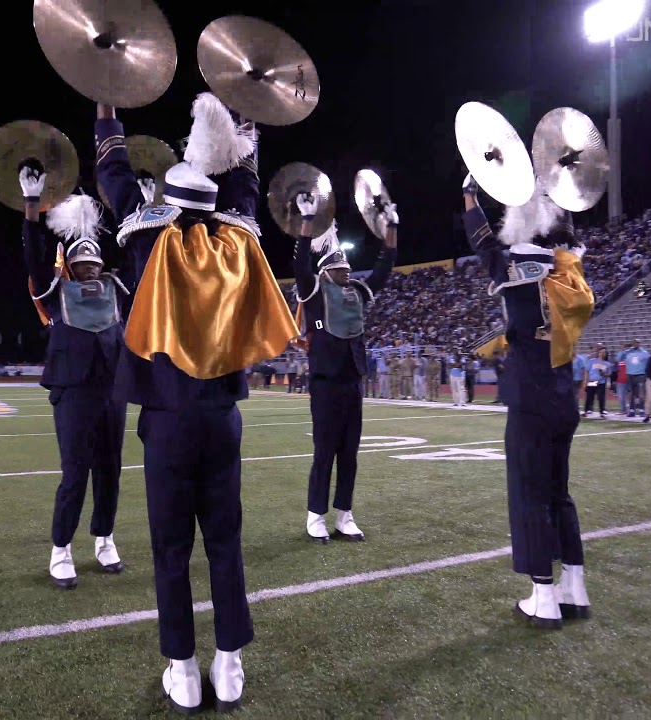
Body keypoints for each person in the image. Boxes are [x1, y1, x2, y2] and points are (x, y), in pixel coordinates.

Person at [96, 92, 297, 713]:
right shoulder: (239, 240)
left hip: (167, 421)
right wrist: (246, 119)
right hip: (222, 420)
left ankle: (183, 671)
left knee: (170, 547)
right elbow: (244, 181)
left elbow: (113, 176)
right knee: (225, 541)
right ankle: (229, 662)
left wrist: (107, 111)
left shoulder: (146, 236)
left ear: (168, 202)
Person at [460, 174, 595, 629]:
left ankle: (544, 596)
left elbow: (481, 241)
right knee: (560, 493)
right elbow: (567, 234)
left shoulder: (514, 266)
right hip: (563, 395)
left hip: (530, 395)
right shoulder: (570, 272)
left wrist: (470, 196)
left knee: (529, 494)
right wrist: (560, 199)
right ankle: (574, 587)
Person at [19, 179, 130, 589]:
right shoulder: (56, 292)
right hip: (73, 393)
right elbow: (34, 259)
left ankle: (104, 538)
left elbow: (143, 262)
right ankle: (61, 548)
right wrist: (32, 206)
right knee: (75, 473)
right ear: (69, 266)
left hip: (112, 393)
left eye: (95, 262)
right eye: (82, 263)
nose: (89, 267)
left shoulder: (117, 292)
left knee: (110, 471)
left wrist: (150, 209)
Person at [292, 192, 396, 542]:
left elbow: (384, 268)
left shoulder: (357, 294)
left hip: (353, 383)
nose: (347, 269)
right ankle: (315, 515)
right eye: (340, 266)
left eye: (348, 266)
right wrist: (306, 223)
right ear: (327, 271)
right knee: (325, 453)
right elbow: (300, 265)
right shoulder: (314, 293)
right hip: (324, 384)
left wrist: (391, 230)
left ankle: (344, 514)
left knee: (349, 454)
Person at [584, 347, 611, 418]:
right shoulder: (592, 361)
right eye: (601, 352)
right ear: (598, 353)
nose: (602, 354)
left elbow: (609, 374)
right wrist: (586, 381)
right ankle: (586, 411)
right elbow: (586, 371)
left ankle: (602, 411)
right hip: (592, 381)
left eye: (604, 352)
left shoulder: (607, 364)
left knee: (601, 397)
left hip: (601, 382)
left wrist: (604, 374)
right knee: (589, 397)